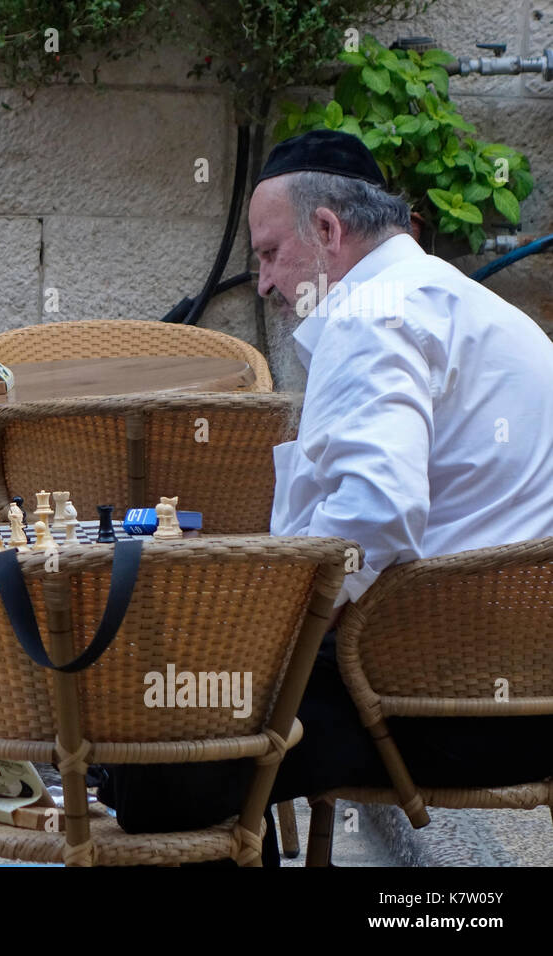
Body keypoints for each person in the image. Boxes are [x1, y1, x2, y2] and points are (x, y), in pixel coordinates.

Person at [102, 129, 553, 859]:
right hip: (521, 696)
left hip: (426, 705)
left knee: (154, 763)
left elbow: (376, 512)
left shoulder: (369, 315)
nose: (265, 281)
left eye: (270, 253)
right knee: (157, 739)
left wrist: (264, 636)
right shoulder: (475, 309)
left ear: (327, 230)